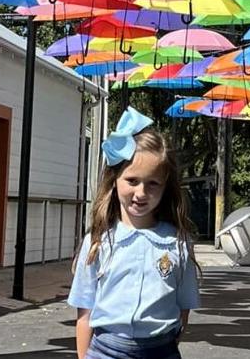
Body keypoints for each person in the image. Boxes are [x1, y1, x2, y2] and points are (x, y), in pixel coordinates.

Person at [69, 108, 201, 359]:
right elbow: (85, 313)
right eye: (132, 180)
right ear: (114, 180)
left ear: (165, 188)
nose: (141, 192)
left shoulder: (178, 243)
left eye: (153, 183)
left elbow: (183, 309)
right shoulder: (98, 241)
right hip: (105, 350)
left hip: (161, 350)